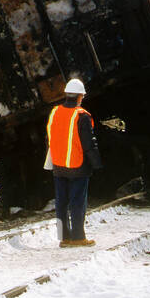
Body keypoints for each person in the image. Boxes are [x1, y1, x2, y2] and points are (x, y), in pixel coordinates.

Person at [45, 78, 102, 247]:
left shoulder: (55, 112)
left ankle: (64, 237)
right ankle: (78, 238)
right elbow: (89, 144)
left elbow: (49, 137)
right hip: (77, 165)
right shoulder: (82, 116)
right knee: (77, 202)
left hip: (59, 166)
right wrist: (97, 164)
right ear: (79, 96)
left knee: (61, 202)